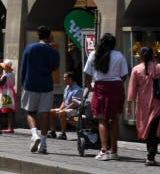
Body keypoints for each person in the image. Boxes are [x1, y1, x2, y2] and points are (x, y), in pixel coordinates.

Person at [84, 32, 128, 161]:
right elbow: (124, 74)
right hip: (116, 86)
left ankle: (103, 150)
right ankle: (114, 150)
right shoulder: (119, 56)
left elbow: (87, 75)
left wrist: (91, 88)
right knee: (114, 119)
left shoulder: (94, 54)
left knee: (102, 119)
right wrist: (118, 83)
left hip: (100, 87)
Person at [20, 25, 60, 154]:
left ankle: (34, 134)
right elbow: (55, 68)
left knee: (30, 112)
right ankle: (43, 143)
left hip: (30, 84)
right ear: (49, 36)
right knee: (45, 114)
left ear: (38, 36)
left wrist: (23, 82)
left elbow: (23, 67)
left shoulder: (30, 48)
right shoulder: (53, 51)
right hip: (47, 85)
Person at [127, 47, 160, 166]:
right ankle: (150, 156)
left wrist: (129, 105)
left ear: (140, 56)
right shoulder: (158, 67)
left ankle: (150, 155)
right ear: (153, 55)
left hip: (142, 104)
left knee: (146, 129)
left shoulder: (136, 69)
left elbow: (131, 89)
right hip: (157, 103)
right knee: (155, 129)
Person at [48, 72, 82, 139]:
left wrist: (63, 110)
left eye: (65, 78)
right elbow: (64, 101)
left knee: (61, 113)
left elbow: (73, 104)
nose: (63, 79)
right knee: (51, 111)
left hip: (75, 109)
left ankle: (63, 133)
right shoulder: (66, 88)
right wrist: (61, 108)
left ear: (70, 79)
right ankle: (52, 132)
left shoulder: (78, 89)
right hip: (66, 108)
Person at [0, 59, 17, 133]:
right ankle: (10, 127)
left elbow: (0, 84)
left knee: (9, 110)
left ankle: (10, 127)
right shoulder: (12, 74)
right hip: (11, 91)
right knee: (10, 110)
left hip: (6, 93)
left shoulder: (5, 76)